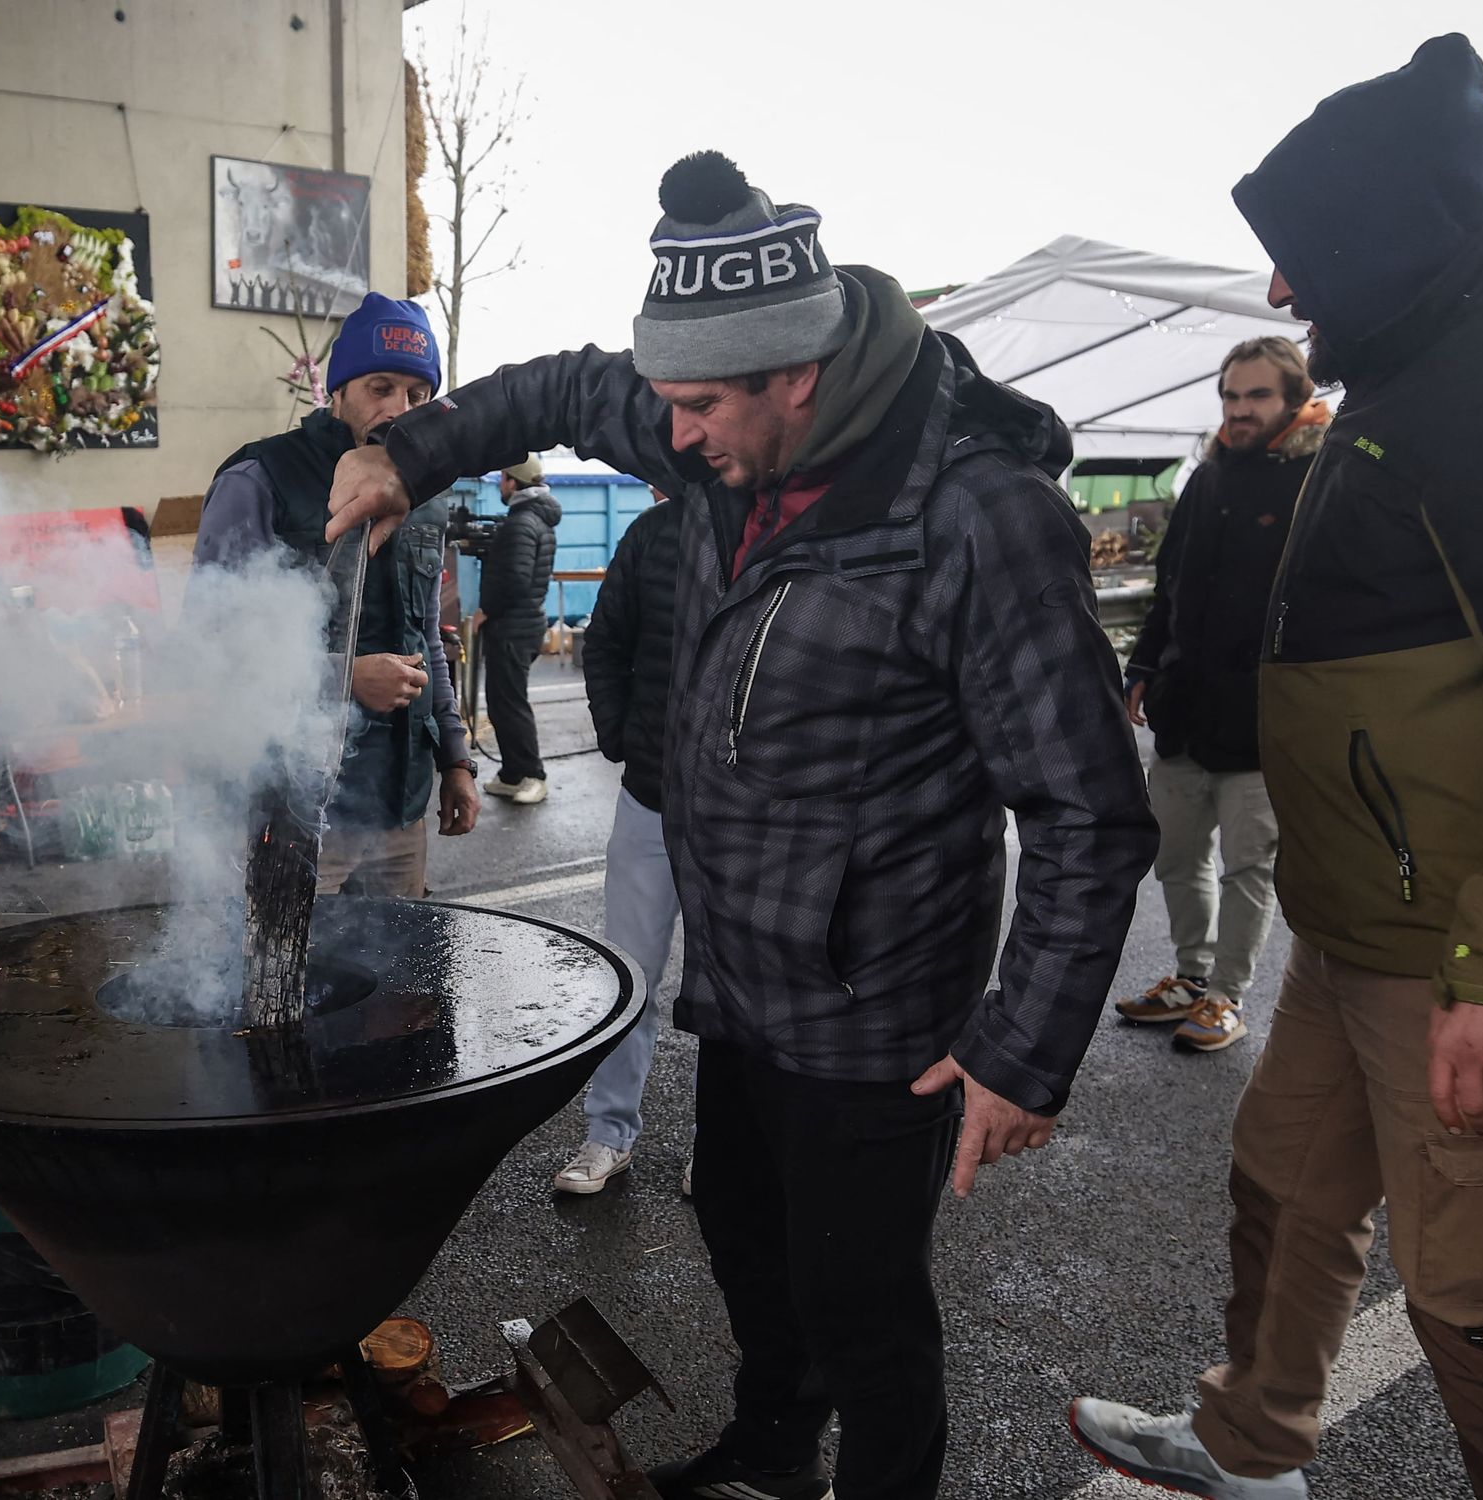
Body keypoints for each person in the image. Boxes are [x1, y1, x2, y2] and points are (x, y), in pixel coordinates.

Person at [327, 153, 1157, 1500]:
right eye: (670, 406)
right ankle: (776, 1447)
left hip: (879, 1002)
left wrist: (1025, 1052)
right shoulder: (717, 424)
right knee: (744, 1229)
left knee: (862, 1299)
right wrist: (405, 454)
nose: (676, 438)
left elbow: (1089, 816)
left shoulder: (980, 519)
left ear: (801, 379)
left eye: (702, 409)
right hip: (750, 971)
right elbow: (560, 388)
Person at [1066, 36, 1483, 1500]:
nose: (1282, 292)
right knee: (1287, 1191)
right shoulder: (1437, 351)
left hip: (1480, 942)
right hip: (1373, 918)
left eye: (1299, 256)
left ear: (1390, 236)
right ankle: (1250, 1445)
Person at [195, 293, 481, 895]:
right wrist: (345, 677)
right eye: (380, 387)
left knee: (400, 976)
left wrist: (456, 759)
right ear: (339, 389)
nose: (400, 410)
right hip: (294, 804)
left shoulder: (424, 491)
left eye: (417, 394)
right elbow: (213, 644)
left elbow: (427, 638)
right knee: (285, 979)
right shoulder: (260, 478)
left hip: (399, 804)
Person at [1110, 338, 1324, 1052]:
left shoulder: (1317, 480)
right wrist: (1142, 668)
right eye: (1231, 397)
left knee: (1247, 867)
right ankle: (1191, 979)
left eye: (1257, 396)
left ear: (1294, 399)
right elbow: (1170, 586)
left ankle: (1228, 996)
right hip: (1185, 710)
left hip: (1262, 722)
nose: (1240, 411)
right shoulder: (1208, 479)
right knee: (1174, 855)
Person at [555, 486, 685, 1194]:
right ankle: (609, 1134)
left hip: (750, 813)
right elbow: (604, 642)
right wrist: (621, 737)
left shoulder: (785, 523)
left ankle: (725, 1144)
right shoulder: (654, 533)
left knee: (737, 990)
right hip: (651, 795)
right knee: (630, 977)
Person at [474, 455, 560, 805]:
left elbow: (513, 580)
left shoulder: (521, 522)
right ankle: (512, 773)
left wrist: (485, 610)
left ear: (513, 481)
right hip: (522, 623)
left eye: (503, 478)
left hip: (513, 626)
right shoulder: (535, 519)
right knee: (502, 702)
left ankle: (532, 775)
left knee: (510, 704)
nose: (500, 484)